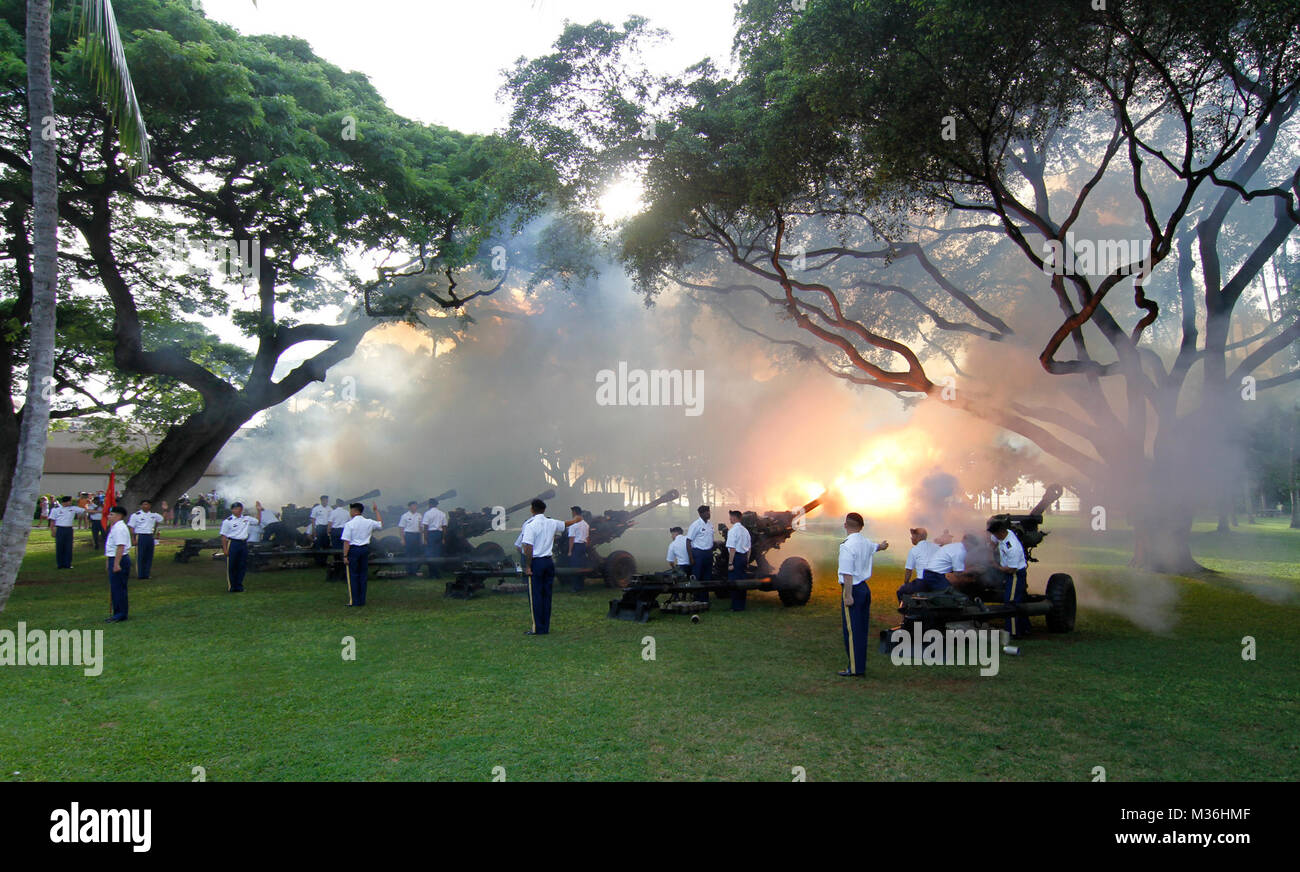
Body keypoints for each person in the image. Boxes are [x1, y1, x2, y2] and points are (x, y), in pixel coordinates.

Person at [837, 512, 887, 677]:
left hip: (853, 589)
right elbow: (876, 547)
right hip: (864, 589)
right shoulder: (865, 542)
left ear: (846, 525)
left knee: (851, 631)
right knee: (861, 630)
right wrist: (883, 545)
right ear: (861, 527)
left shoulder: (847, 546)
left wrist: (848, 595)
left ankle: (854, 668)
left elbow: (847, 573)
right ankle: (859, 665)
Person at [520, 498, 568, 635]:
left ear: (532, 509)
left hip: (537, 562)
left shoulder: (530, 525)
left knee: (536, 596)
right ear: (544, 509)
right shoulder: (552, 522)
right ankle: (545, 627)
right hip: (549, 562)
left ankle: (537, 628)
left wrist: (528, 566)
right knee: (547, 596)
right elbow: (565, 524)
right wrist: (577, 520)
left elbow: (528, 547)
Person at [989, 519, 1029, 638]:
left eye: (995, 534)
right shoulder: (1002, 535)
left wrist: (995, 566)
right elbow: (993, 542)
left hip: (1015, 574)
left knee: (1010, 602)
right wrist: (991, 552)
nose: (994, 536)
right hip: (1009, 571)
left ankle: (1013, 632)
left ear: (1001, 532)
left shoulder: (1012, 547)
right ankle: (1025, 628)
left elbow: (1012, 569)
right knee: (1020, 600)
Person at [341, 502, 384, 607]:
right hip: (364, 549)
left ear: (354, 511)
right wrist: (376, 511)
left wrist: (345, 556)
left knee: (353, 575)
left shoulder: (349, 524)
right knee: (363, 575)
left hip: (354, 550)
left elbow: (346, 541)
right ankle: (362, 600)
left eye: (351, 510)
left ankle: (354, 601)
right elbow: (380, 524)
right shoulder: (368, 522)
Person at [220, 502, 257, 593]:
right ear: (232, 510)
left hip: (243, 543)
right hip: (233, 543)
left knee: (242, 565)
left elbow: (258, 521)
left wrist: (259, 511)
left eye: (240, 509)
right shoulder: (227, 521)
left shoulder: (246, 519)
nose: (238, 511)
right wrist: (225, 549)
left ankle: (239, 586)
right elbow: (224, 536)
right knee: (232, 565)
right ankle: (232, 587)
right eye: (236, 509)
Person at [104, 506, 133, 623]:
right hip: (114, 558)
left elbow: (120, 546)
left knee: (119, 588)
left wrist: (116, 564)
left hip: (119, 559)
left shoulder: (119, 528)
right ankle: (118, 612)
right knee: (116, 588)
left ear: (119, 516)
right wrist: (108, 562)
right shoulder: (115, 527)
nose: (109, 516)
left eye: (112, 515)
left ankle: (120, 614)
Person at [897, 526, 943, 599]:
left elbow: (908, 571)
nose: (911, 538)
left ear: (918, 536)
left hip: (922, 583)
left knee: (900, 591)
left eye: (912, 536)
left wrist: (906, 584)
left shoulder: (914, 550)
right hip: (939, 582)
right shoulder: (937, 547)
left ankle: (904, 609)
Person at [127, 501, 165, 579]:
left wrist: (164, 510)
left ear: (150, 506)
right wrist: (133, 538)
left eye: (147, 504)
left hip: (150, 536)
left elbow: (162, 519)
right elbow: (131, 527)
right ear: (141, 506)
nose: (145, 506)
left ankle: (147, 574)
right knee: (140, 555)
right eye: (144, 504)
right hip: (140, 536)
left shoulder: (153, 515)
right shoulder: (136, 515)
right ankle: (140, 574)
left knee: (149, 555)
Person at [685, 506, 715, 603]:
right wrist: (691, 558)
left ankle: (704, 599)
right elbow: (688, 541)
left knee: (707, 577)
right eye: (706, 512)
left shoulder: (710, 525)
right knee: (697, 576)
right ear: (700, 514)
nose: (709, 514)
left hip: (708, 553)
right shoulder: (695, 525)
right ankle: (696, 599)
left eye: (709, 512)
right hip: (698, 553)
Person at [725, 510, 752, 612]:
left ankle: (735, 606)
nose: (729, 519)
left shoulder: (732, 531)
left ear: (735, 518)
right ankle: (741, 605)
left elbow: (732, 548)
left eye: (730, 517)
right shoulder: (745, 531)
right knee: (742, 582)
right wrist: (747, 561)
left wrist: (730, 563)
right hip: (744, 558)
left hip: (736, 558)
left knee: (734, 582)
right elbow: (749, 548)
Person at [49, 496, 84, 569]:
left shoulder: (73, 508)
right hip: (60, 529)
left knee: (68, 547)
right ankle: (60, 564)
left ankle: (68, 564)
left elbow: (86, 510)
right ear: (66, 502)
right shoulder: (56, 509)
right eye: (70, 501)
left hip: (69, 529)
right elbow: (52, 521)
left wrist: (101, 511)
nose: (71, 502)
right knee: (60, 547)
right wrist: (52, 531)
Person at [565, 506, 590, 593]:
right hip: (583, 546)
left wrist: (570, 551)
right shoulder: (586, 524)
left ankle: (575, 587)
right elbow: (587, 538)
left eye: (572, 512)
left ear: (575, 513)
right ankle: (581, 585)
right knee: (581, 567)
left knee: (575, 567)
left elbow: (571, 538)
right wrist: (585, 548)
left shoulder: (573, 525)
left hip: (576, 546)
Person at [421, 498, 447, 578]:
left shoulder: (427, 513)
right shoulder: (442, 514)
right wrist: (443, 538)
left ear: (430, 504)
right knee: (437, 554)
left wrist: (425, 539)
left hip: (431, 534)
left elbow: (425, 527)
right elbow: (444, 527)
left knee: (430, 555)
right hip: (439, 534)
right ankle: (437, 573)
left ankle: (432, 574)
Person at [397, 501, 423, 577]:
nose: (415, 507)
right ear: (409, 507)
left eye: (416, 506)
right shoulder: (405, 516)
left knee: (416, 553)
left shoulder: (419, 515)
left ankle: (415, 570)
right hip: (408, 535)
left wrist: (421, 537)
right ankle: (408, 571)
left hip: (417, 535)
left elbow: (421, 527)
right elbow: (401, 528)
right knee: (408, 553)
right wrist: (402, 539)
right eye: (413, 506)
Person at [309, 495, 332, 565]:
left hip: (326, 527)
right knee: (318, 544)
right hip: (319, 527)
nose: (326, 502)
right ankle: (318, 561)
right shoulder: (316, 509)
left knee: (326, 544)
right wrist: (313, 529)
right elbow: (313, 519)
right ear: (321, 500)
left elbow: (331, 520)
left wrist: (329, 529)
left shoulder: (330, 509)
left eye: (327, 500)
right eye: (325, 500)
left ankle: (324, 560)